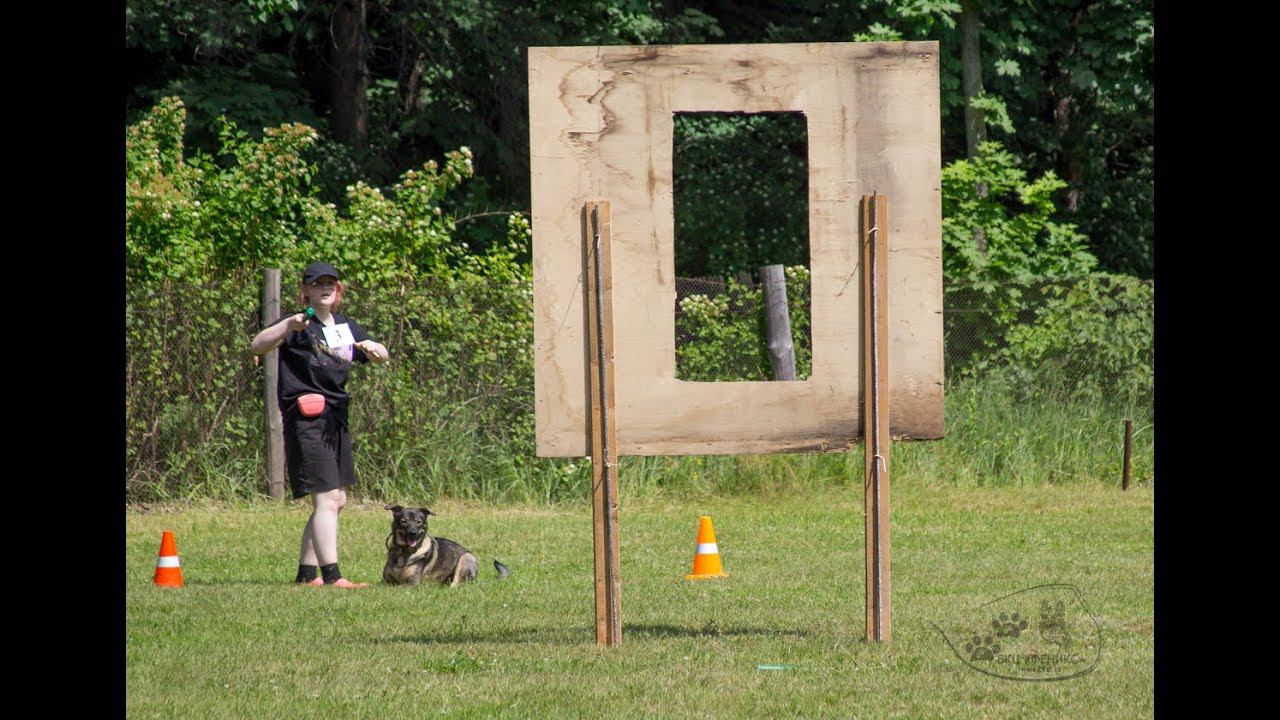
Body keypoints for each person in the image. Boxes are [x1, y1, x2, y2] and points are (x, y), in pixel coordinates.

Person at [251, 261, 389, 587]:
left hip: (336, 419)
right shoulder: (298, 324)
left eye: (331, 283)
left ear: (338, 290)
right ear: (306, 291)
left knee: (337, 499)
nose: (325, 288)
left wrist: (374, 349)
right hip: (308, 417)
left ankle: (306, 575)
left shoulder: (345, 326)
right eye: (318, 284)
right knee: (326, 499)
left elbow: (382, 353)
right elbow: (257, 345)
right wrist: (288, 327)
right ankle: (333, 577)